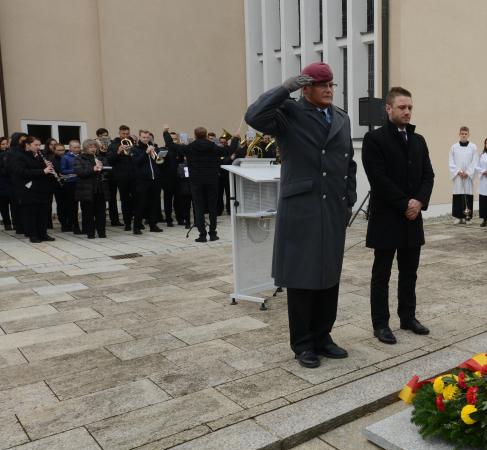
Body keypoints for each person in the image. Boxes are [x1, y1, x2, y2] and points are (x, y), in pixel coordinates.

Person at [245, 61, 357, 368]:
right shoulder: (289, 113)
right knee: (302, 277)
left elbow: (348, 163)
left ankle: (323, 336)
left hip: (333, 207)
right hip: (303, 207)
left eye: (331, 85)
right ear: (305, 89)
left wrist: (349, 199)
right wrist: (284, 89)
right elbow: (254, 116)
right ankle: (303, 343)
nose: (329, 90)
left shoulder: (341, 118)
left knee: (329, 275)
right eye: (322, 86)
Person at [361, 86, 434, 345]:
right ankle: (380, 323)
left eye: (410, 107)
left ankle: (408, 316)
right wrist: (406, 203)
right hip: (387, 218)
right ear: (388, 108)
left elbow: (428, 175)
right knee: (382, 274)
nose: (407, 111)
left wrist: (420, 202)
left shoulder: (418, 140)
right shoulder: (375, 140)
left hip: (412, 219)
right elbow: (378, 179)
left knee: (409, 271)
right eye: (402, 107)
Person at [162, 126, 237, 242]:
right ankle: (213, 234)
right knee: (212, 207)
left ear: (195, 135)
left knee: (199, 207)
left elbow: (171, 145)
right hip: (212, 181)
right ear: (207, 135)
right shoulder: (213, 147)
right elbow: (229, 150)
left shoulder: (190, 147)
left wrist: (165, 132)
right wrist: (236, 139)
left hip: (196, 182)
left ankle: (202, 235)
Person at [9, 136, 57, 243]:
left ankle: (43, 234)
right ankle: (33, 235)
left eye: (39, 145)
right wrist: (43, 171)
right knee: (31, 214)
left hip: (42, 188)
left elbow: (44, 171)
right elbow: (22, 172)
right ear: (27, 145)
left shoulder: (40, 155)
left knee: (43, 213)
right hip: (28, 189)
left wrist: (49, 169)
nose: (38, 147)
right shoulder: (19, 156)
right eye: (36, 145)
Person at [130, 130, 164, 234]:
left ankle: (153, 225)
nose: (146, 139)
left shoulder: (154, 147)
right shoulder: (135, 149)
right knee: (141, 204)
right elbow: (136, 162)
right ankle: (136, 227)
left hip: (155, 180)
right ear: (140, 137)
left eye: (147, 137)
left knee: (154, 204)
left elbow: (160, 163)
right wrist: (146, 153)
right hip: (142, 181)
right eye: (144, 137)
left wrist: (159, 155)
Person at [73, 139, 108, 239]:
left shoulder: (101, 158)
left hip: (100, 189)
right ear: (85, 148)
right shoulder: (79, 158)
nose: (93, 149)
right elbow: (80, 172)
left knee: (101, 213)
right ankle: (90, 233)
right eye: (90, 147)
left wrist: (102, 169)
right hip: (86, 190)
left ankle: (102, 232)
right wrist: (93, 169)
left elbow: (107, 171)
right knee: (88, 213)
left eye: (94, 147)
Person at [107, 125, 136, 229]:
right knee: (125, 200)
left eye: (127, 134)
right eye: (123, 134)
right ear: (119, 133)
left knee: (136, 199)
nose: (125, 136)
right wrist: (118, 151)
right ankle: (127, 223)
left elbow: (136, 158)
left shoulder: (132, 143)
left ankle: (137, 222)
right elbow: (109, 160)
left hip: (133, 175)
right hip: (121, 176)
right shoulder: (113, 145)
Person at [448, 127, 476, 224]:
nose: (464, 135)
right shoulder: (454, 147)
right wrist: (458, 172)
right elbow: (451, 162)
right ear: (459, 134)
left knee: (467, 195)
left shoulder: (473, 147)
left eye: (465, 133)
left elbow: (474, 161)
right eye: (462, 133)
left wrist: (468, 172)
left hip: (467, 176)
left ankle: (467, 217)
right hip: (458, 176)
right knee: (457, 194)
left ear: (468, 135)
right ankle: (457, 217)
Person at [59, 140, 83, 234]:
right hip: (70, 183)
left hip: (81, 183)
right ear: (70, 148)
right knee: (73, 206)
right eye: (75, 147)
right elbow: (63, 170)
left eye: (78, 147)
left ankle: (82, 225)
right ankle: (74, 226)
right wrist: (76, 170)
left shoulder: (81, 156)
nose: (77, 149)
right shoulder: (65, 157)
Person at [0, 137, 13, 230]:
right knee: (3, 206)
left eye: (6, 144)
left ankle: (16, 223)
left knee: (13, 205)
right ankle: (7, 224)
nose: (5, 146)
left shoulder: (11, 154)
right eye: (2, 144)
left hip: (11, 183)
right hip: (1, 184)